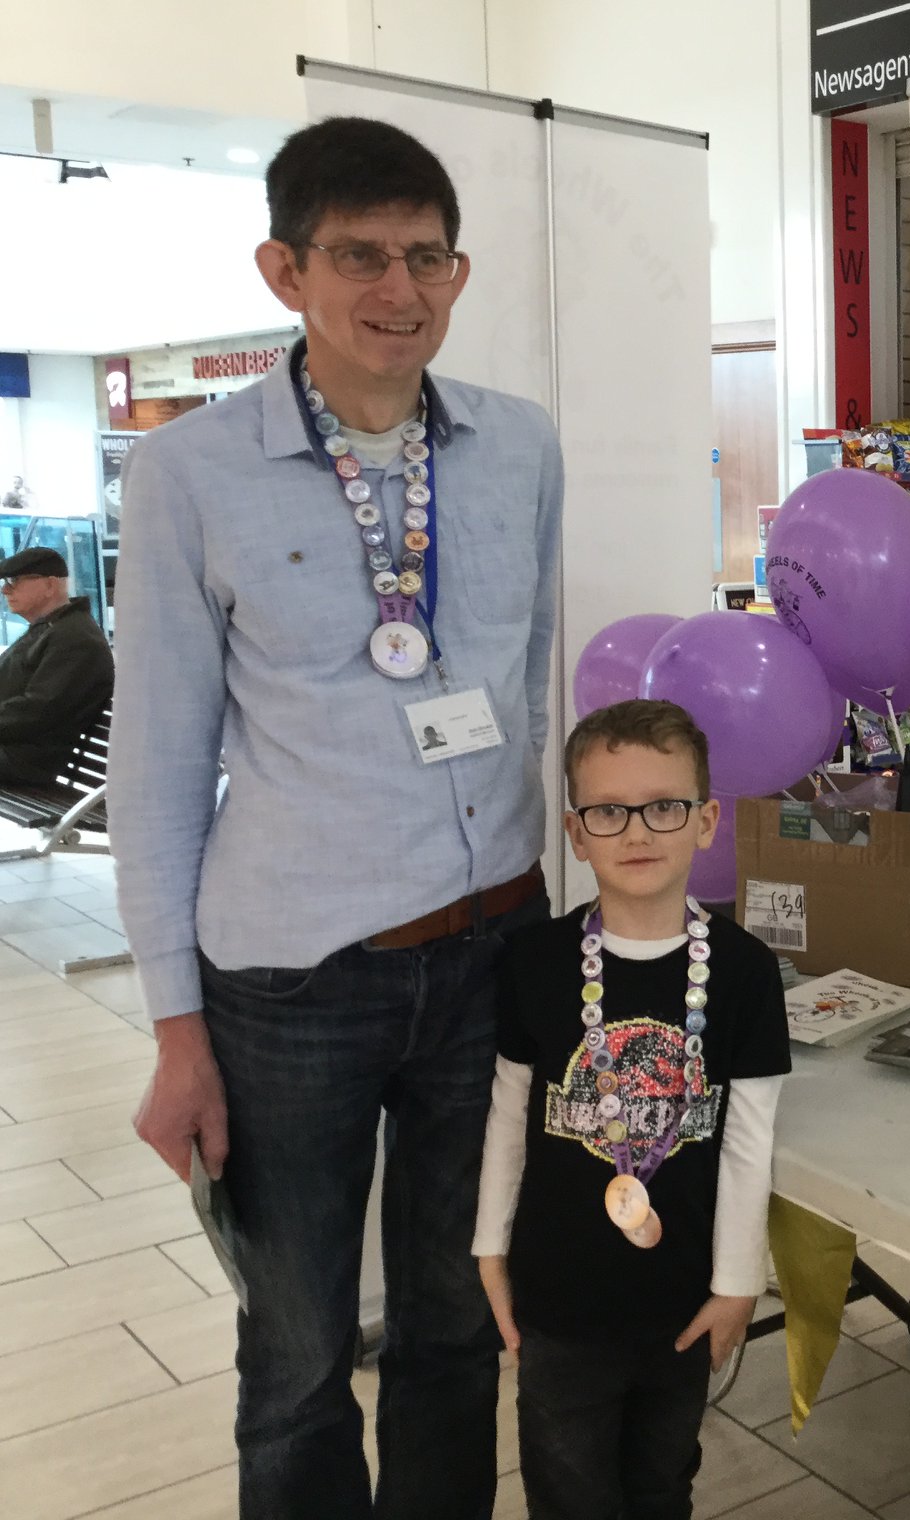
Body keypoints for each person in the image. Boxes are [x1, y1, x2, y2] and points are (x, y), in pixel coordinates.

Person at [111, 116, 564, 1520]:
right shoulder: (189, 475)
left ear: (459, 272)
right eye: (359, 255)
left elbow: (529, 687)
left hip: (491, 955)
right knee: (300, 1350)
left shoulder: (521, 447)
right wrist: (177, 1033)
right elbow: (161, 765)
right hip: (291, 982)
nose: (399, 288)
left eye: (427, 256)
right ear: (284, 269)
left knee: (456, 1322)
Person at [474, 700, 789, 1520]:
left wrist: (736, 1286)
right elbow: (509, 1117)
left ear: (707, 820)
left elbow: (750, 1145)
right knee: (569, 1495)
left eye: (665, 806)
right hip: (559, 1304)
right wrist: (489, 1251)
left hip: (680, 1305)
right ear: (577, 832)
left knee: (659, 1488)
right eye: (609, 811)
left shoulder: (747, 974)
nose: (638, 831)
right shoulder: (535, 961)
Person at [0, 546, 114, 785]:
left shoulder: (77, 639)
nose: (5, 590)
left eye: (14, 581)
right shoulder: (54, 628)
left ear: (50, 586)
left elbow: (38, 710)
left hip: (23, 760)